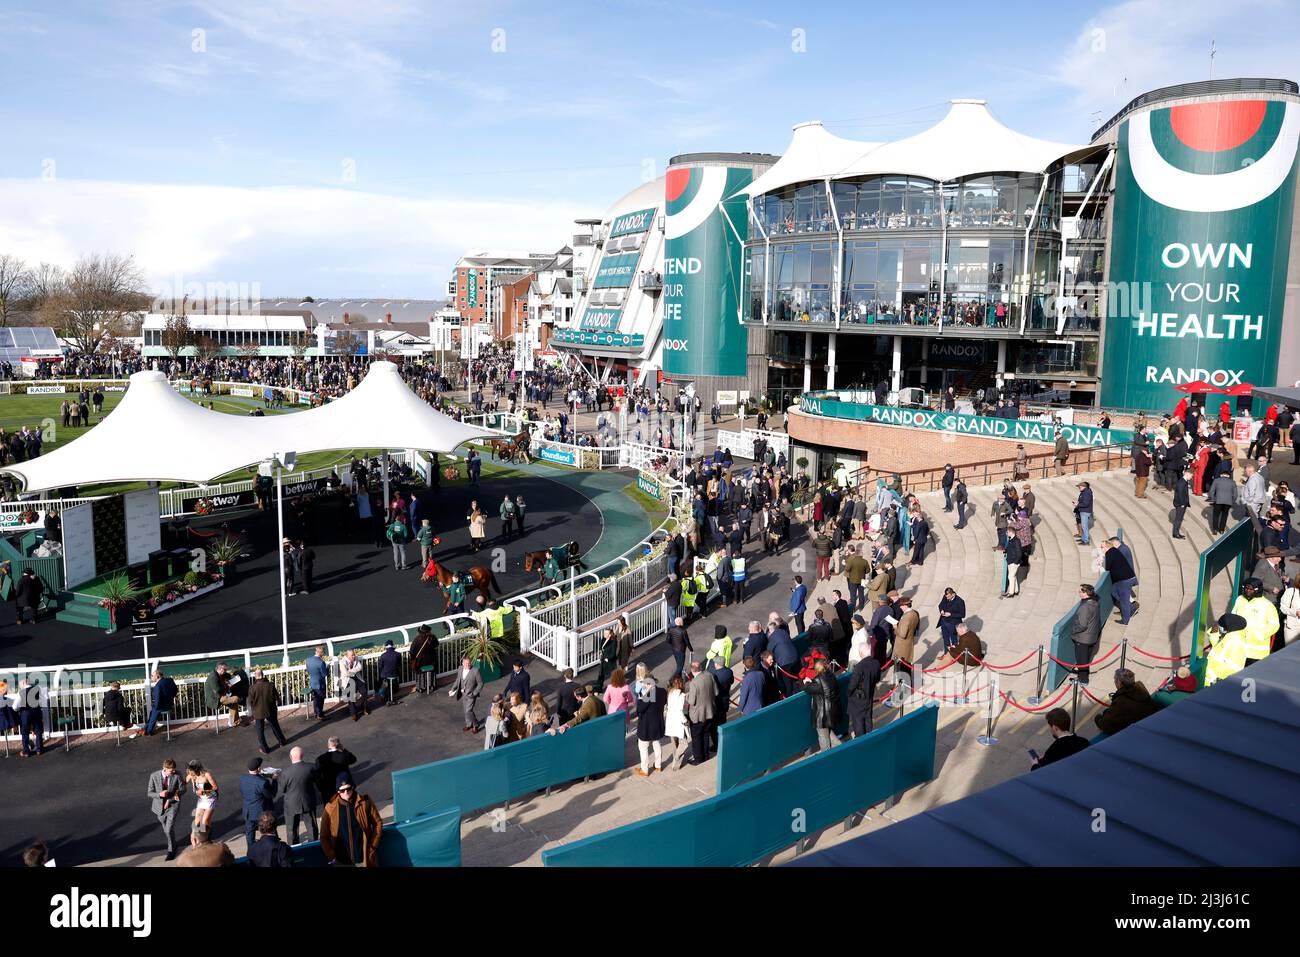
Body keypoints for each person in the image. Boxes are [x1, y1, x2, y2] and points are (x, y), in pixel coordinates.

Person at [320, 771, 383, 867]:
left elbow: (378, 823)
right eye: (342, 790)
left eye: (348, 789)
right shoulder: (330, 808)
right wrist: (331, 855)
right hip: (342, 862)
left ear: (353, 787)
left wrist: (373, 847)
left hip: (365, 859)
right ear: (338, 791)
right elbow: (324, 835)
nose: (346, 792)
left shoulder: (365, 802)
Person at [1094, 668, 1159, 737]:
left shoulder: (1121, 701)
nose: (1114, 682)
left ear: (1120, 683)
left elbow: (1105, 725)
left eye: (1115, 680)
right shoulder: (1140, 688)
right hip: (1149, 722)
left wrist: (1098, 718)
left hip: (1137, 733)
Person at [147, 758, 186, 860]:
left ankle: (171, 849)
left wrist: (171, 799)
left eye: (174, 770)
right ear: (164, 768)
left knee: (168, 829)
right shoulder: (154, 776)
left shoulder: (177, 775)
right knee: (167, 830)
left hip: (172, 805)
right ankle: (174, 844)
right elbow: (149, 793)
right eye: (171, 770)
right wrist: (159, 794)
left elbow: (183, 789)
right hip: (159, 808)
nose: (173, 772)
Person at [280, 746, 319, 845]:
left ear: (290, 757)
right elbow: (317, 781)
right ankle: (313, 847)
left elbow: (283, 789)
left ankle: (294, 848)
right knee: (311, 826)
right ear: (302, 755)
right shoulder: (311, 767)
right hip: (308, 802)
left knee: (291, 829)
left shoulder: (285, 773)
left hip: (291, 804)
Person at [239, 756, 278, 852]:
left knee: (250, 834)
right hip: (261, 813)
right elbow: (271, 795)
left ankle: (251, 852)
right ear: (258, 768)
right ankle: (275, 848)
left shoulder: (242, 778)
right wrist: (274, 780)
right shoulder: (263, 782)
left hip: (248, 811)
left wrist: (259, 775)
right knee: (269, 830)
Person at [803, 658, 842, 752]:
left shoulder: (818, 681)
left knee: (823, 737)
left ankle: (826, 756)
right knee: (828, 733)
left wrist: (807, 682)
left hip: (822, 715)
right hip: (831, 712)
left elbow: (807, 688)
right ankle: (842, 747)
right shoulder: (832, 676)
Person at [684, 661, 717, 765]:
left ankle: (698, 758)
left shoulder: (693, 683)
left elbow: (691, 701)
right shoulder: (709, 675)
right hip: (710, 711)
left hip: (697, 715)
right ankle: (706, 755)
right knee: (706, 734)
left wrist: (687, 695)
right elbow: (716, 692)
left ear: (692, 670)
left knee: (697, 737)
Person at [635, 674, 668, 776]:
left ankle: (645, 769)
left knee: (643, 747)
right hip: (658, 723)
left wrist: (641, 698)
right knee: (657, 744)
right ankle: (658, 765)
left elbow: (639, 709)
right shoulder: (662, 691)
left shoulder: (649, 695)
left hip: (647, 726)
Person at [248, 669, 288, 753]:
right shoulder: (271, 685)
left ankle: (264, 749)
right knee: (275, 726)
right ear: (263, 675)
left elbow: (250, 702)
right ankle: (282, 742)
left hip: (258, 712)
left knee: (260, 730)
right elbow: (277, 697)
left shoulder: (252, 688)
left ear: (256, 676)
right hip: (270, 709)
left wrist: (251, 712)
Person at [1103, 539, 1138, 625]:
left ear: (1107, 547)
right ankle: (1132, 607)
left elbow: (1107, 567)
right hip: (1127, 578)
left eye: (1102, 547)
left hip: (1125, 580)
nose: (1101, 549)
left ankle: (1125, 620)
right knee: (1114, 591)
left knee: (1124, 601)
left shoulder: (1109, 553)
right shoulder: (1115, 550)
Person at [312, 737, 358, 803]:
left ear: (328, 745)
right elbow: (353, 759)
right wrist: (343, 750)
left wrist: (321, 788)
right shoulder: (344, 755)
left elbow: (317, 775)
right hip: (344, 787)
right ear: (339, 745)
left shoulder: (321, 759)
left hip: (328, 789)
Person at [846, 652, 880, 737]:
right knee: (868, 717)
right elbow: (877, 678)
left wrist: (849, 693)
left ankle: (861, 739)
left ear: (861, 653)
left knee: (858, 722)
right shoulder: (876, 663)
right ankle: (869, 736)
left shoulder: (859, 667)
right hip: (869, 695)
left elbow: (852, 685)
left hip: (858, 699)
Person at [449, 656, 483, 733]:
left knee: (468, 711)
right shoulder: (460, 668)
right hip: (463, 694)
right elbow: (458, 680)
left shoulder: (475, 671)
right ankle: (469, 724)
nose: (468, 665)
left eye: (469, 663)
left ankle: (475, 724)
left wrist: (474, 693)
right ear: (462, 663)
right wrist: (452, 689)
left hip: (471, 695)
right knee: (465, 711)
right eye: (466, 663)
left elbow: (480, 683)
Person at [185, 760, 219, 837]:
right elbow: (182, 783)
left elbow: (215, 787)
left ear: (197, 769)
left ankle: (206, 839)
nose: (190, 771)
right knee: (197, 819)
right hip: (202, 799)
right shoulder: (191, 775)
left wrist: (204, 792)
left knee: (205, 821)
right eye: (189, 769)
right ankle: (196, 838)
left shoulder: (206, 775)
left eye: (191, 769)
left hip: (210, 798)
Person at [16, 677, 45, 757]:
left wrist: (19, 709)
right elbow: (43, 700)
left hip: (26, 713)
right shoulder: (37, 689)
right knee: (38, 730)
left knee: (25, 732)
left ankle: (26, 751)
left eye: (20, 684)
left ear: (23, 683)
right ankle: (39, 749)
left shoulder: (20, 692)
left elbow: (15, 706)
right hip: (36, 711)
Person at [145, 669, 178, 736]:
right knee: (152, 712)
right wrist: (170, 698)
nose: (151, 677)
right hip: (170, 704)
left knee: (153, 713)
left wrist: (155, 706)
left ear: (157, 676)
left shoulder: (157, 686)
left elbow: (157, 700)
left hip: (163, 707)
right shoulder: (170, 680)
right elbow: (175, 690)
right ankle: (146, 729)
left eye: (152, 676)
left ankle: (148, 731)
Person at [937, 587, 965, 652]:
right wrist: (941, 610)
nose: (947, 598)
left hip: (953, 623)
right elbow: (940, 605)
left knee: (954, 639)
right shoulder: (945, 596)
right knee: (945, 638)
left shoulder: (960, 601)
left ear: (952, 594)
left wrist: (951, 614)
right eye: (946, 596)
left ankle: (954, 654)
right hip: (944, 621)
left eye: (948, 597)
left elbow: (962, 615)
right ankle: (946, 654)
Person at [305, 646, 329, 719]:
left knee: (315, 698)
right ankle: (320, 715)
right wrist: (327, 668)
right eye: (323, 653)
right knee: (320, 699)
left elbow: (308, 670)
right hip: (320, 683)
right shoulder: (321, 662)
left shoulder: (308, 660)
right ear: (321, 653)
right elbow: (324, 674)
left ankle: (316, 712)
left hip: (312, 682)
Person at [1171, 468, 1190, 539]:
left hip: (1181, 503)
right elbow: (1180, 494)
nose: (1191, 478)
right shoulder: (1182, 482)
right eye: (1191, 476)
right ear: (1187, 474)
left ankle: (1177, 532)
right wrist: (1182, 504)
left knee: (1179, 519)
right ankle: (1175, 534)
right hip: (1180, 504)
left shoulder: (1183, 481)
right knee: (1178, 519)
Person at [1073, 481, 1093, 545]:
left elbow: (1086, 504)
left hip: (1085, 511)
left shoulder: (1086, 493)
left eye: (1080, 487)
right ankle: (1084, 539)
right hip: (1083, 511)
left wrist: (1077, 504)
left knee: (1084, 527)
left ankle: (1086, 541)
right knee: (1084, 526)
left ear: (1084, 487)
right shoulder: (1084, 492)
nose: (1079, 488)